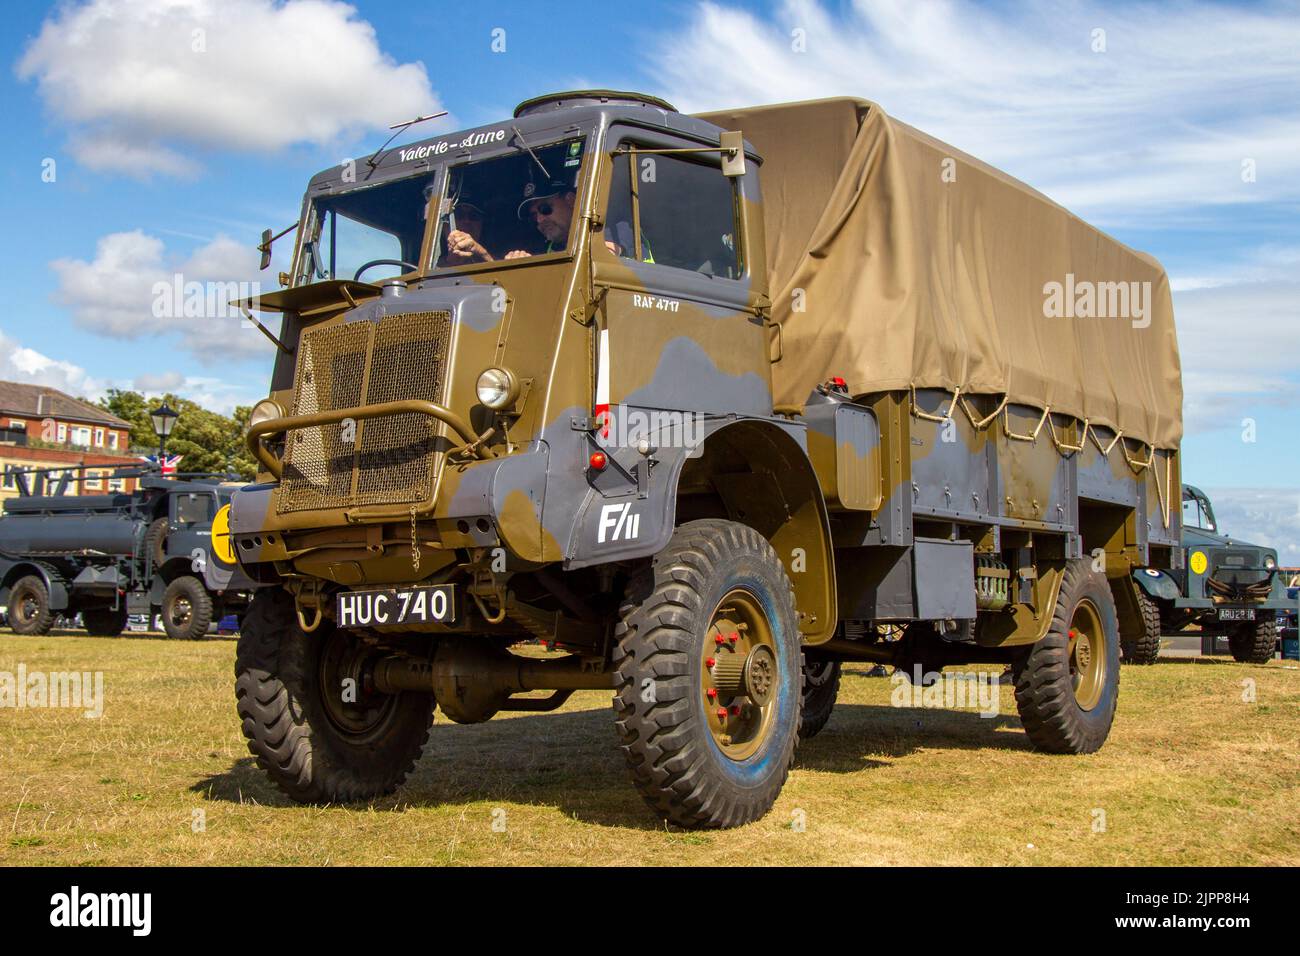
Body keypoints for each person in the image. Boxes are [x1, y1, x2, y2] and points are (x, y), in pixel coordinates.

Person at [441, 198, 495, 264]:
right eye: (459, 216)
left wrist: (483, 255)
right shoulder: (430, 266)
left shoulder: (500, 261)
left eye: (473, 216)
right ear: (445, 227)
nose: (467, 221)